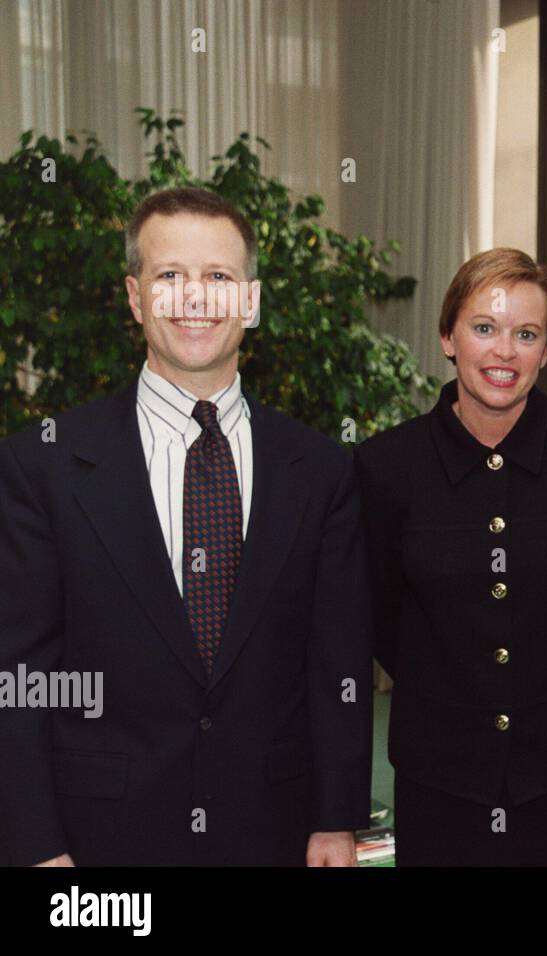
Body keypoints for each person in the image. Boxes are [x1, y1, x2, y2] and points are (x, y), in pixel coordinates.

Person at [0, 186, 373, 866]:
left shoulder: (319, 469)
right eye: (169, 276)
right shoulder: (42, 465)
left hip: (275, 834)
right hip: (97, 847)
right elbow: (19, 673)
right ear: (136, 297)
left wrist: (336, 819)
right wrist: (35, 847)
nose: (194, 298)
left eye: (219, 278)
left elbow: (336, 662)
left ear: (251, 301)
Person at [356, 248, 547, 866]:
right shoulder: (385, 466)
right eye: (484, 328)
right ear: (448, 337)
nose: (504, 351)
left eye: (526, 334)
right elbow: (380, 620)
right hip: (443, 783)